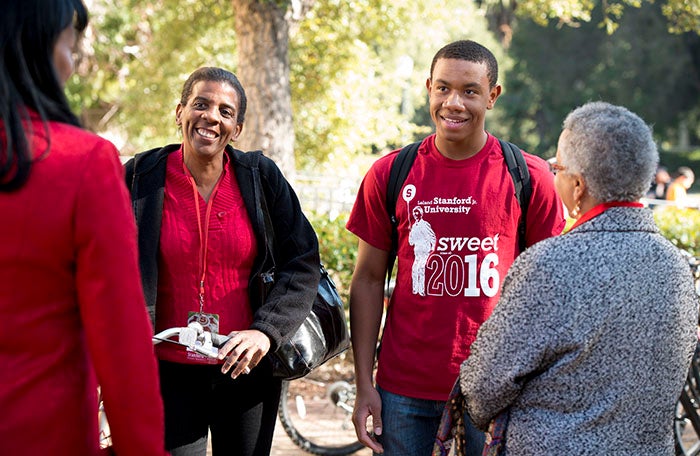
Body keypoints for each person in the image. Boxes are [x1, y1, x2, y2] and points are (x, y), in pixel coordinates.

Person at [346, 39, 565, 455]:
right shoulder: (390, 173)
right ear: (429, 87)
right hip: (403, 390)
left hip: (497, 390)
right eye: (443, 88)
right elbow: (368, 281)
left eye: (470, 91)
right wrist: (363, 384)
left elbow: (550, 293)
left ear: (492, 96)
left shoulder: (529, 177)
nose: (454, 103)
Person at [460, 101, 698, 455]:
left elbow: (482, 386)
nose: (552, 174)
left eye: (557, 167)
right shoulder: (675, 266)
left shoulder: (548, 265)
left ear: (578, 185)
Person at [123, 66, 320, 456]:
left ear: (238, 128)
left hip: (245, 368)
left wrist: (265, 331)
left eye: (225, 111)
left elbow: (303, 261)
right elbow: (102, 263)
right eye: (201, 104)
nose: (211, 116)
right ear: (179, 112)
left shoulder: (260, 177)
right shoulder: (140, 177)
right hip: (165, 370)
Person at [0, 1, 167, 455]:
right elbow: (121, 344)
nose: (72, 66)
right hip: (41, 434)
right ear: (37, 48)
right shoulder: (80, 163)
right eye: (70, 46)